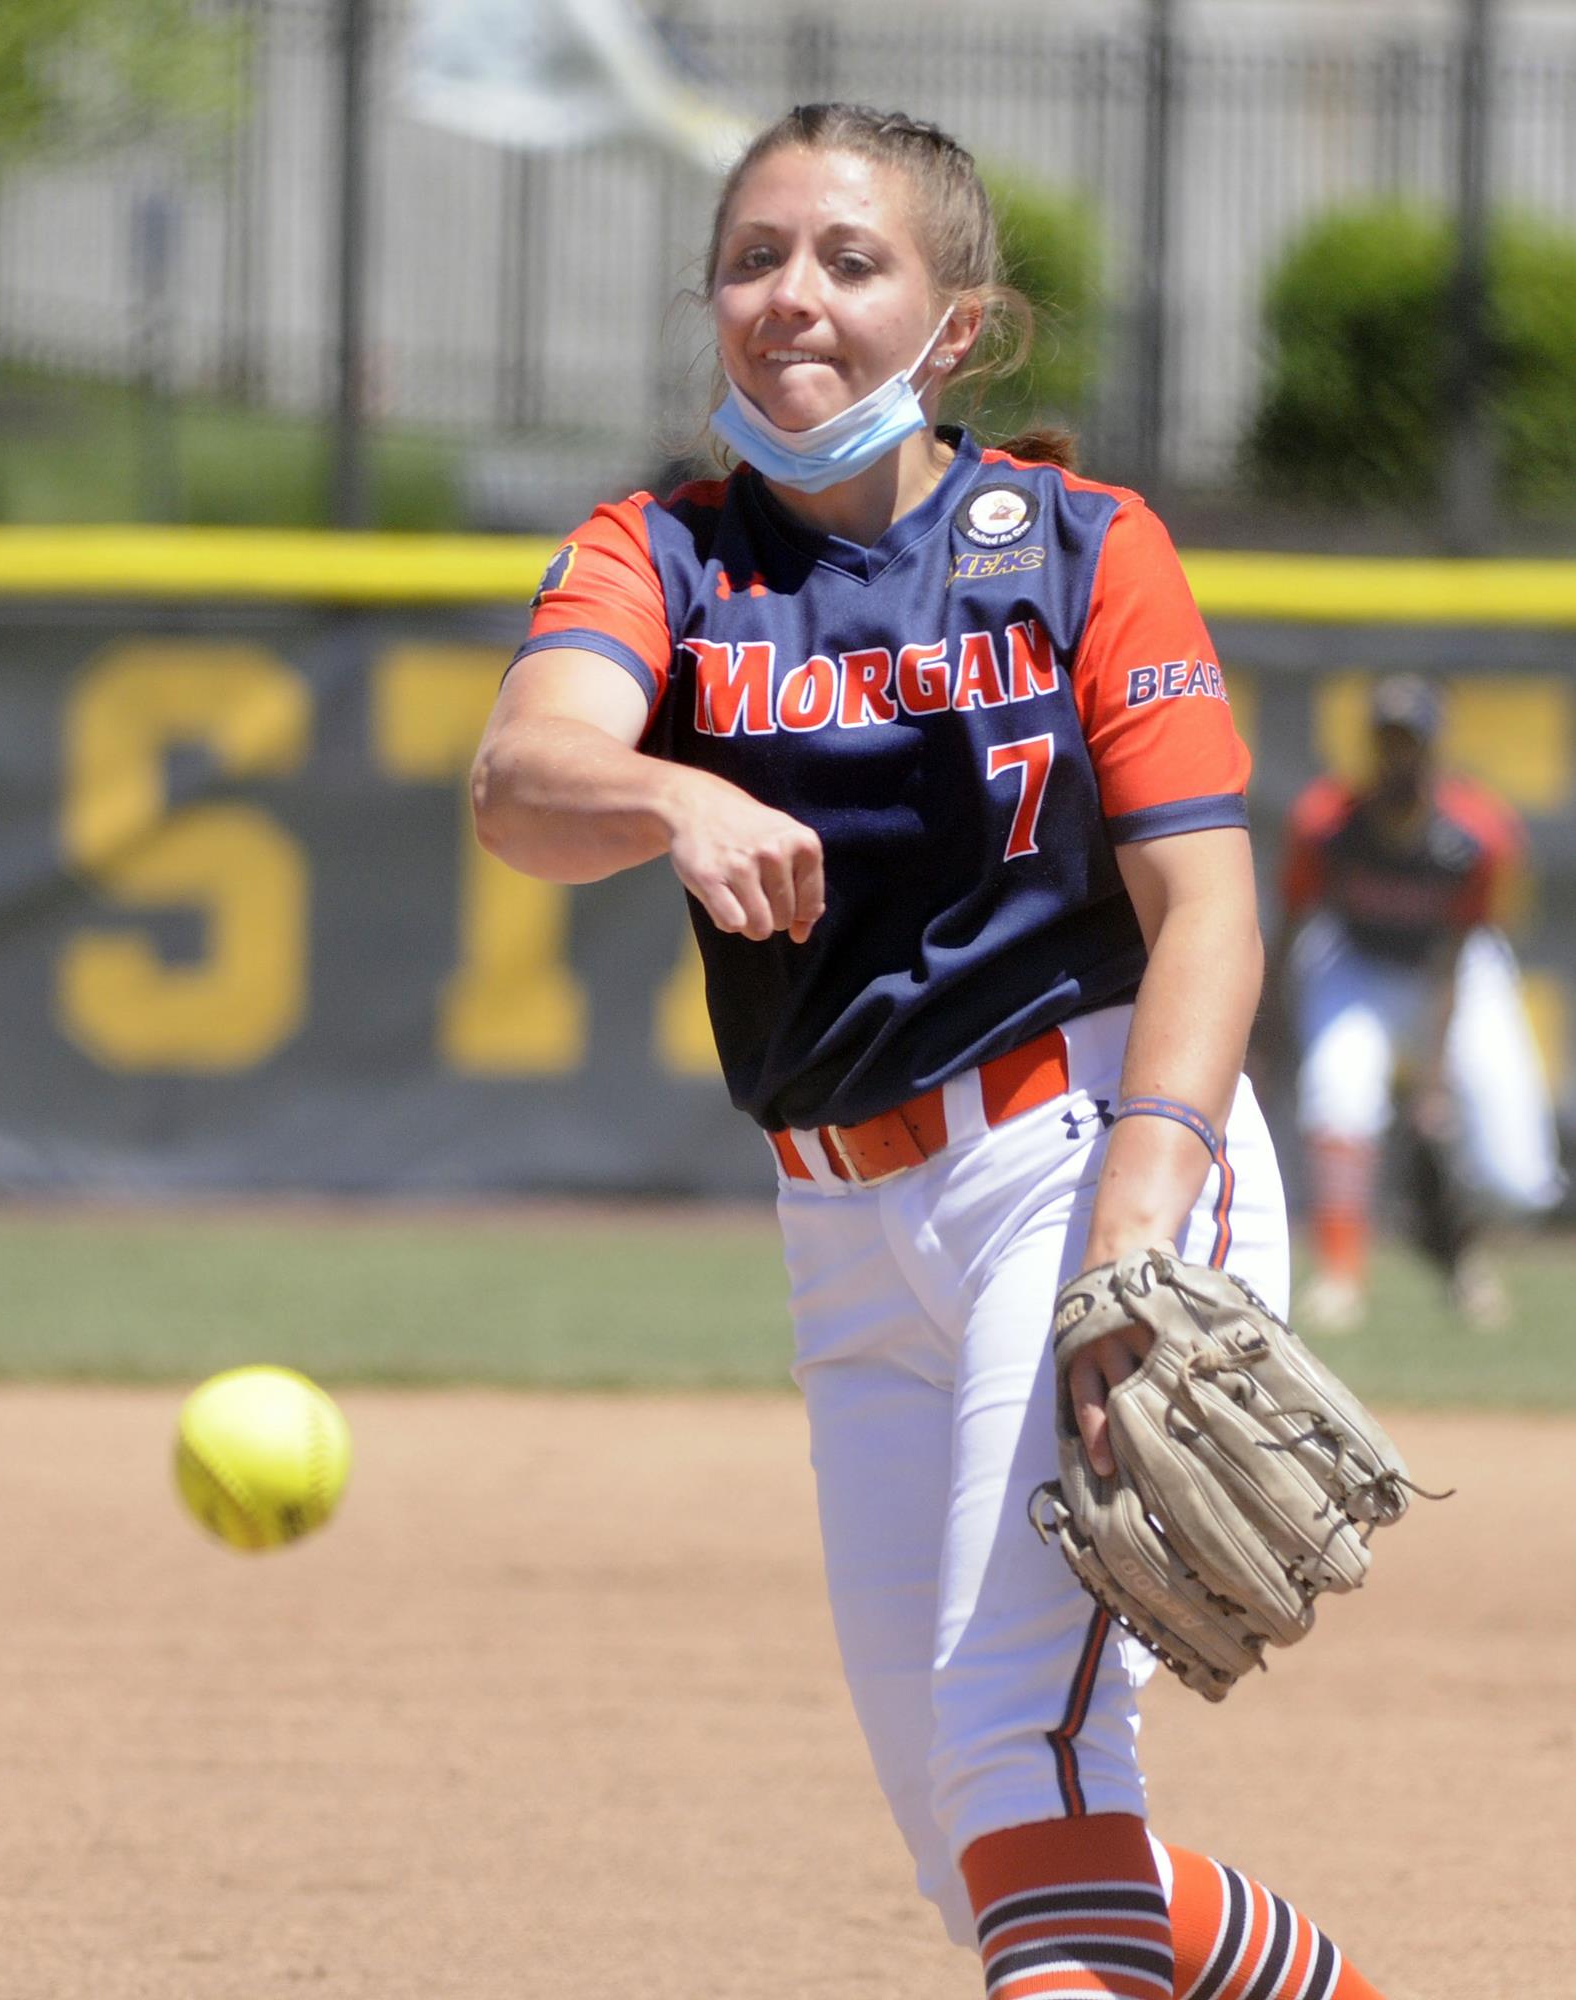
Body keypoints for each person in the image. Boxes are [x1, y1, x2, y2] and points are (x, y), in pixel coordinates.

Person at [473, 101, 1392, 1999]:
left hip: (1082, 1159)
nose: (788, 295)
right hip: (844, 1222)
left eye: (848, 259)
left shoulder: (1078, 546)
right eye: (752, 259)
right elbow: (522, 781)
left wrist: (1135, 1237)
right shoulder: (663, 552)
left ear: (954, 325)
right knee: (987, 1844)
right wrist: (667, 793)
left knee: (1015, 1755)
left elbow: (1207, 912)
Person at [1264, 672, 1564, 1335]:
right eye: (1389, 740)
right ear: (1372, 746)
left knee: (1519, 1176)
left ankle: (1460, 1249)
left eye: (1411, 741)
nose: (1400, 756)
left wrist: (1435, 1076)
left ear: (1434, 748)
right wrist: (1271, 1024)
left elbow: (1461, 946)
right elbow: (1293, 923)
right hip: (1356, 961)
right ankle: (1341, 1275)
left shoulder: (1477, 832)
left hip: (1454, 971)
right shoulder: (1327, 822)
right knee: (1338, 1092)